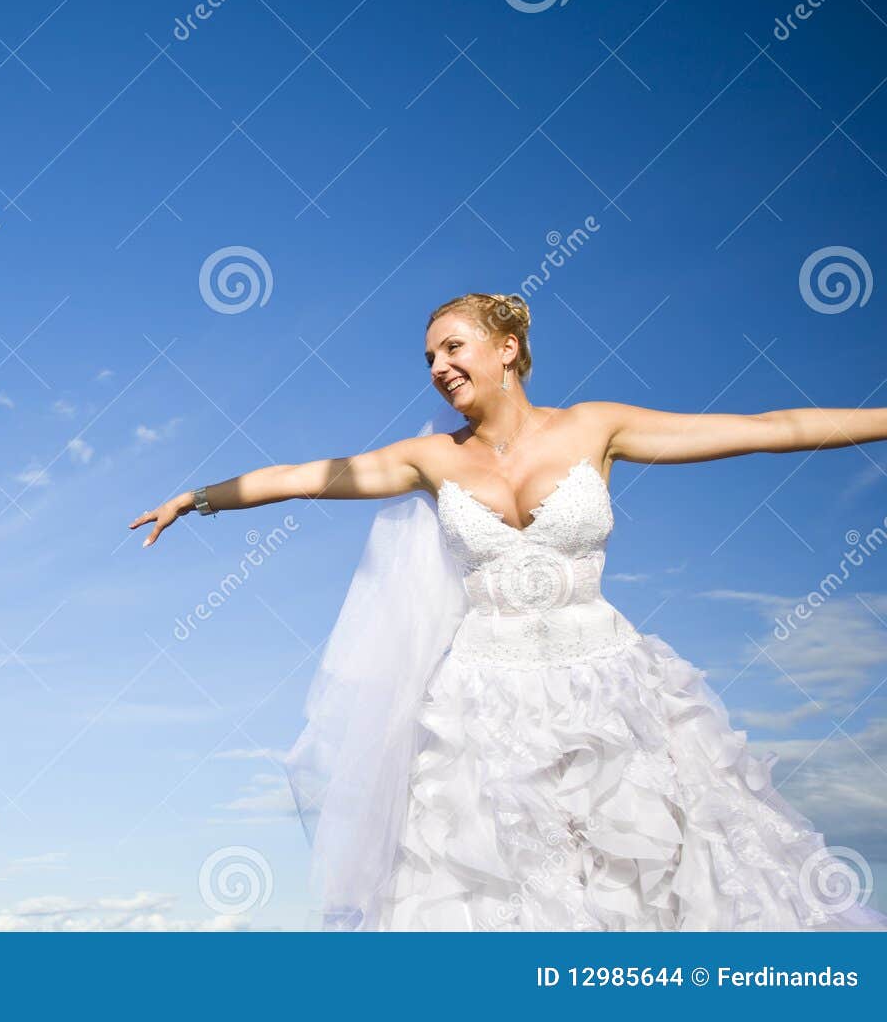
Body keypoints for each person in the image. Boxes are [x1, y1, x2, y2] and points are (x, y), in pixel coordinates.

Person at [129, 292, 887, 930]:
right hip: (482, 706)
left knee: (655, 872)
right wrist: (196, 499)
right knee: (495, 896)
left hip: (611, 687)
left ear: (508, 348)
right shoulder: (432, 460)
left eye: (452, 347)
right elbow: (306, 476)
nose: (437, 368)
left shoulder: (596, 426)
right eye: (428, 358)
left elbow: (765, 431)